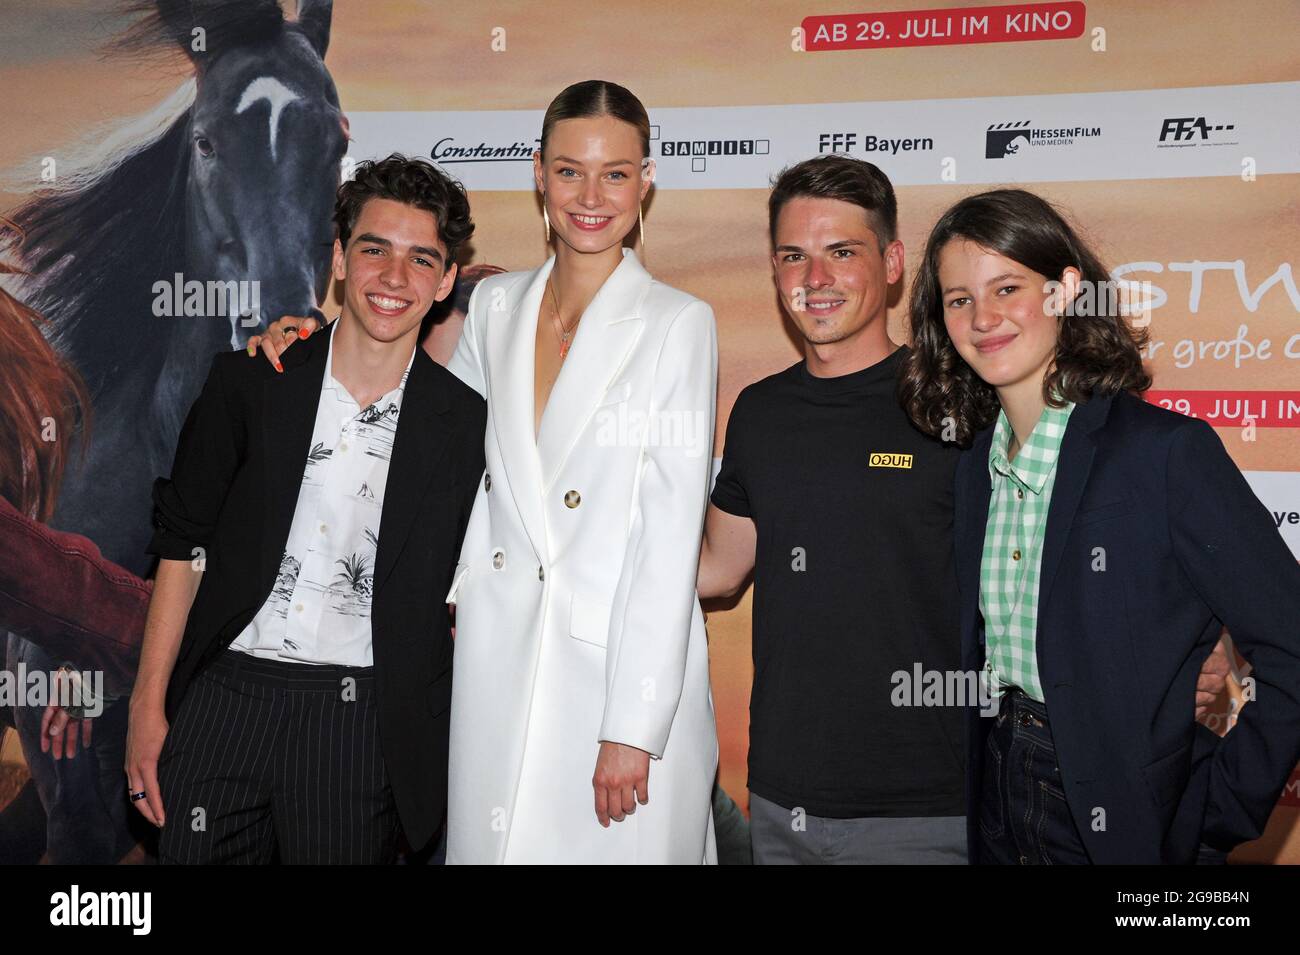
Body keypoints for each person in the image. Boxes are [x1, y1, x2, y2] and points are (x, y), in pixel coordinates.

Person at [898, 188, 1300, 864]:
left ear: (1065, 292)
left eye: (1007, 288)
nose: (983, 317)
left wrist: (1211, 814)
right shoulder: (973, 463)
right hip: (999, 790)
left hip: (1122, 815)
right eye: (959, 298)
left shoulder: (1164, 453)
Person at [124, 154, 486, 863]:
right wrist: (146, 704)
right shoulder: (251, 383)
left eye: (421, 260)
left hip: (361, 725)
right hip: (225, 698)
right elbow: (182, 546)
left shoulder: (466, 427)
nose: (393, 277)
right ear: (339, 259)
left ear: (445, 281)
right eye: (374, 249)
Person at [697, 156, 968, 863]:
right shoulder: (760, 411)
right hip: (784, 804)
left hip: (926, 809)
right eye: (794, 256)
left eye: (841, 252)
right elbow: (718, 571)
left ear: (893, 263)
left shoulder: (958, 401)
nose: (814, 279)